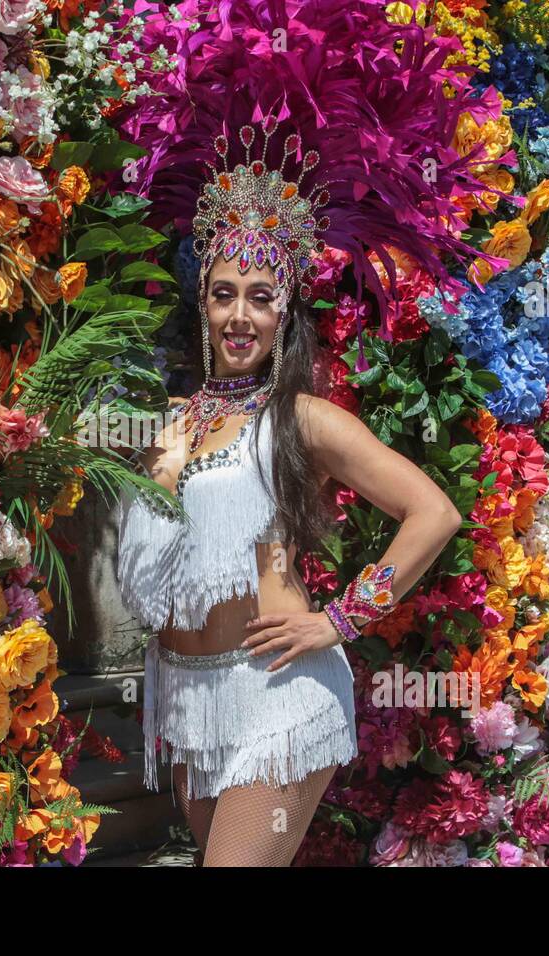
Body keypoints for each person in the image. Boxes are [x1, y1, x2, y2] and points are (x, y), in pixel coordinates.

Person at [116, 118, 465, 867]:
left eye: (261, 297)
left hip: (278, 694)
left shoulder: (305, 419)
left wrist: (340, 619)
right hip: (190, 702)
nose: (241, 314)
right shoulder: (169, 423)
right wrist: (164, 465)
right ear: (203, 309)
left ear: (285, 312)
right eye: (224, 295)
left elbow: (434, 512)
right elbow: (141, 577)